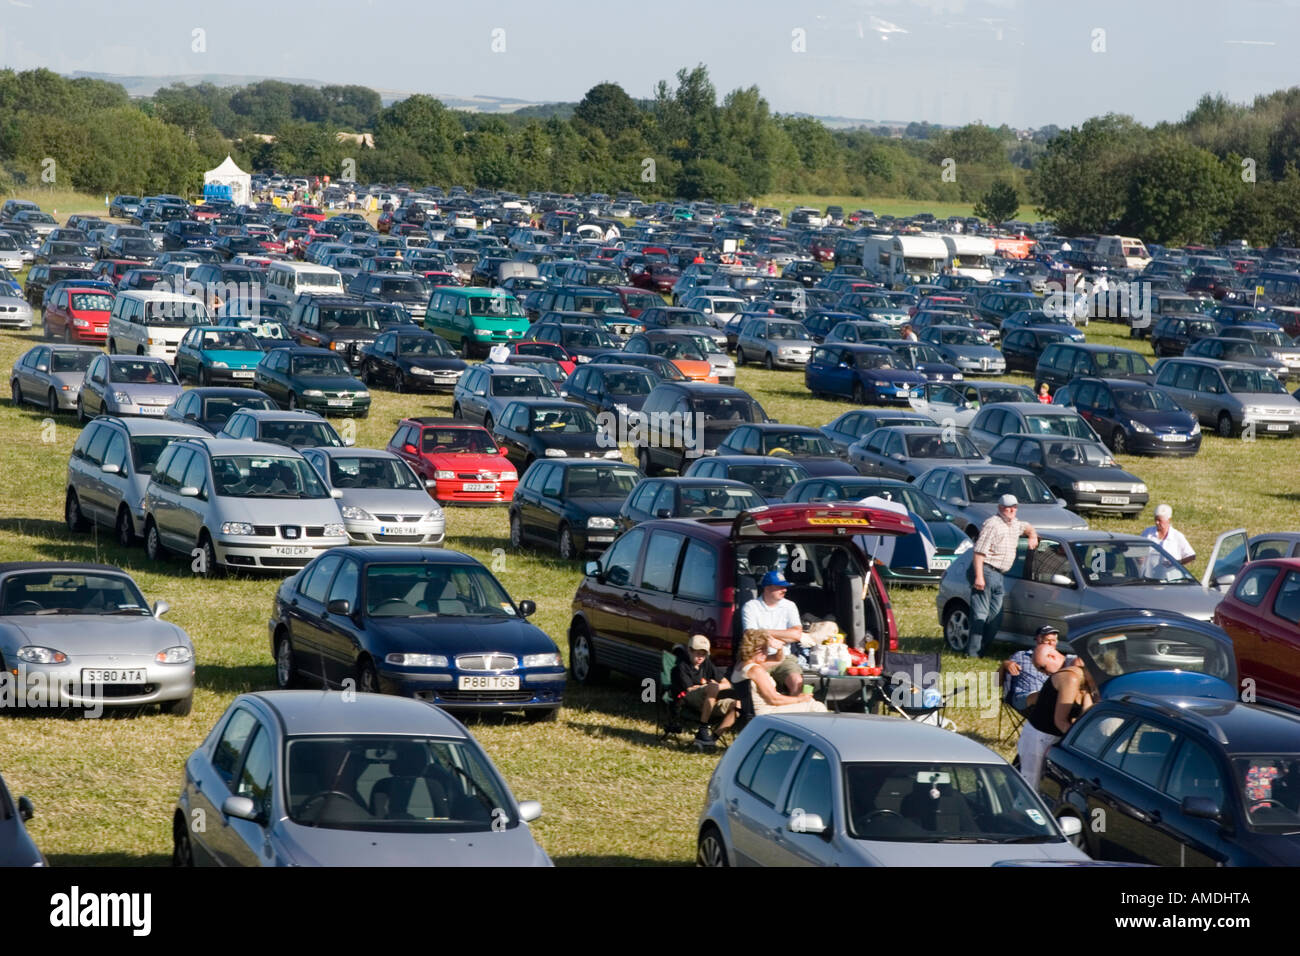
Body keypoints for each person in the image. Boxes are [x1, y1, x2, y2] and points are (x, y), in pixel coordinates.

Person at [967, 494, 1039, 659]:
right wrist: (979, 577)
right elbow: (978, 553)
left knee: (995, 618)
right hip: (985, 570)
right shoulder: (992, 524)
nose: (1012, 510)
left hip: (1000, 575)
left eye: (1014, 507)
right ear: (1000, 508)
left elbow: (1027, 527)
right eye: (1008, 507)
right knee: (980, 615)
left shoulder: (1014, 524)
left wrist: (1033, 535)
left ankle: (981, 649)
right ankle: (973, 654)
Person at [1016, 647, 1096, 787]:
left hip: (1056, 737)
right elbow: (1060, 721)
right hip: (1038, 737)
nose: (1043, 672)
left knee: (1047, 785)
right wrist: (1078, 744)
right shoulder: (1070, 678)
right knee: (1031, 784)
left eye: (1042, 667)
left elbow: (1084, 716)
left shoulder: (1085, 686)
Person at [733, 629, 827, 716]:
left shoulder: (741, 665)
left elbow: (777, 659)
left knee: (809, 702)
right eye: (765, 649)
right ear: (757, 650)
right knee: (816, 707)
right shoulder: (756, 670)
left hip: (758, 710)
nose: (767, 654)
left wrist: (779, 648)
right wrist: (799, 699)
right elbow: (774, 699)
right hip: (767, 712)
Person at [741, 570, 804, 694]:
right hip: (759, 658)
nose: (785, 590)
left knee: (797, 682)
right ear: (768, 588)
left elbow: (797, 635)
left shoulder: (790, 606)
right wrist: (784, 636)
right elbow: (750, 635)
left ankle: (795, 710)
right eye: (780, 587)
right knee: (760, 687)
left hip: (784, 657)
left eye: (785, 587)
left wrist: (763, 632)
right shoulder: (751, 606)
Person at [671, 635, 736, 745]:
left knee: (737, 705)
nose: (701, 657)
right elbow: (690, 689)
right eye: (698, 653)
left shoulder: (707, 663)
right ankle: (703, 728)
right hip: (688, 700)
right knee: (712, 687)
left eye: (704, 654)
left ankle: (712, 739)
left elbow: (728, 684)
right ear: (690, 651)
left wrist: (715, 687)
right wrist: (710, 686)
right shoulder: (681, 666)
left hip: (708, 701)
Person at [1001, 624, 1073, 712]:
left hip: (1051, 696)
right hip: (1024, 696)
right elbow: (996, 682)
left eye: (1054, 640)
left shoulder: (1057, 660)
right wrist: (1004, 665)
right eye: (1047, 640)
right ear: (1038, 639)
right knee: (1045, 696)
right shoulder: (1020, 656)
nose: (1051, 643)